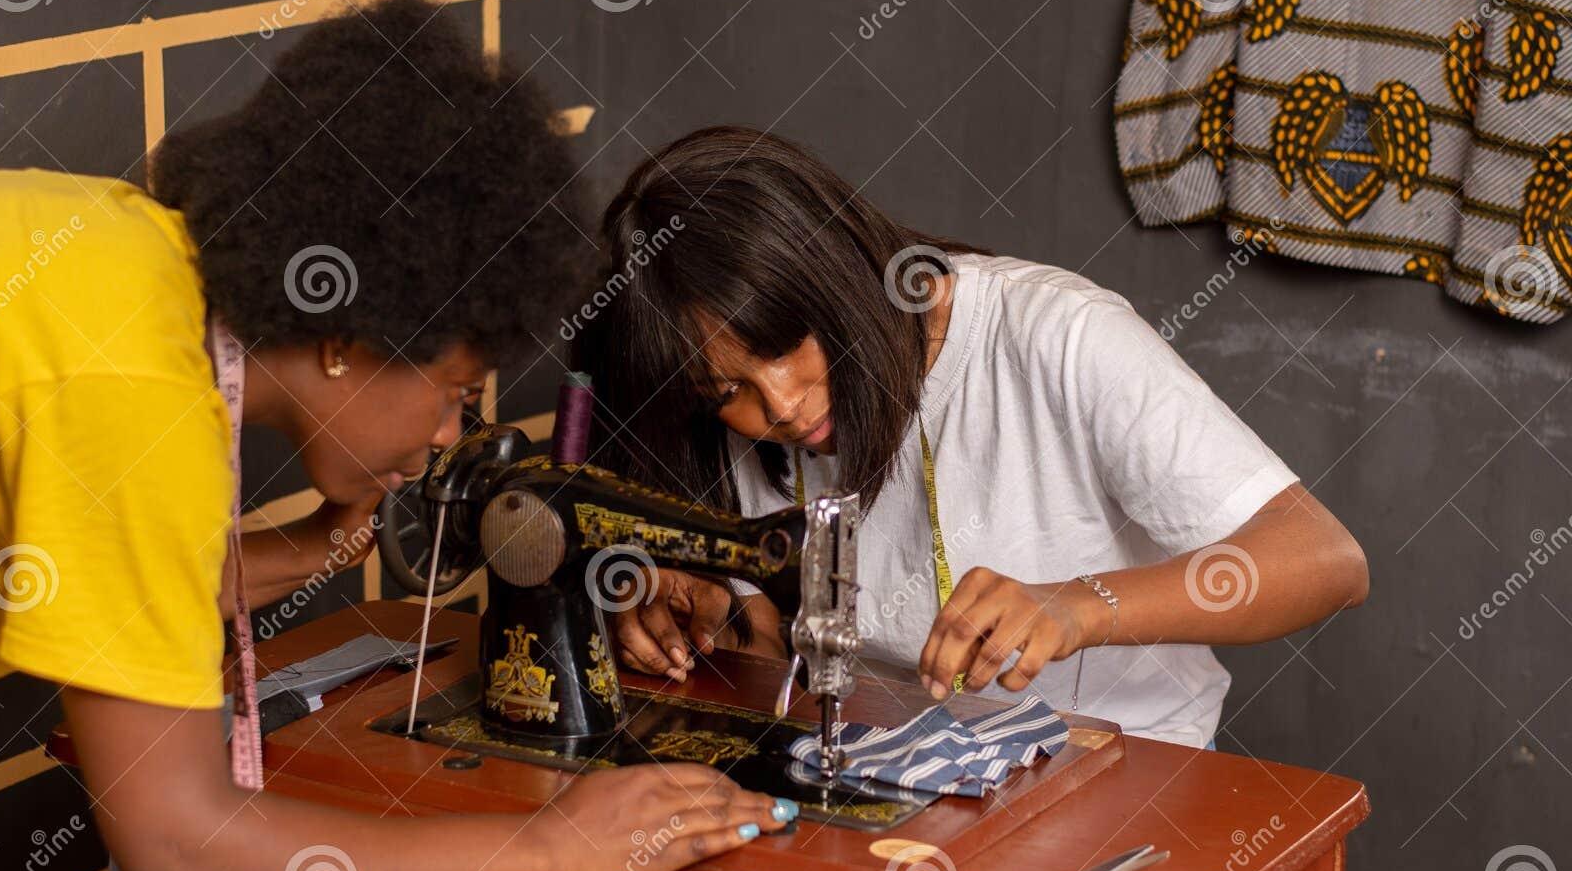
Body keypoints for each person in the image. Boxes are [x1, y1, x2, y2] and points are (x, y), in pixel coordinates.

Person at [0, 0, 786, 871]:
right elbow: (181, 850)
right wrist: (556, 846)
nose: (448, 435)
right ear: (349, 337)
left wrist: (292, 552)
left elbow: (90, 573)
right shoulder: (131, 391)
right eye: (452, 389)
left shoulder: (119, 257)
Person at [583, 126, 1370, 750]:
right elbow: (777, 643)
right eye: (728, 392)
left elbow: (1324, 560)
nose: (782, 406)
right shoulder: (728, 423)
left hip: (1124, 767)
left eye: (786, 346)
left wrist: (1079, 607)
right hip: (894, 760)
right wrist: (703, 616)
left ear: (832, 271)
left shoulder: (1059, 337)